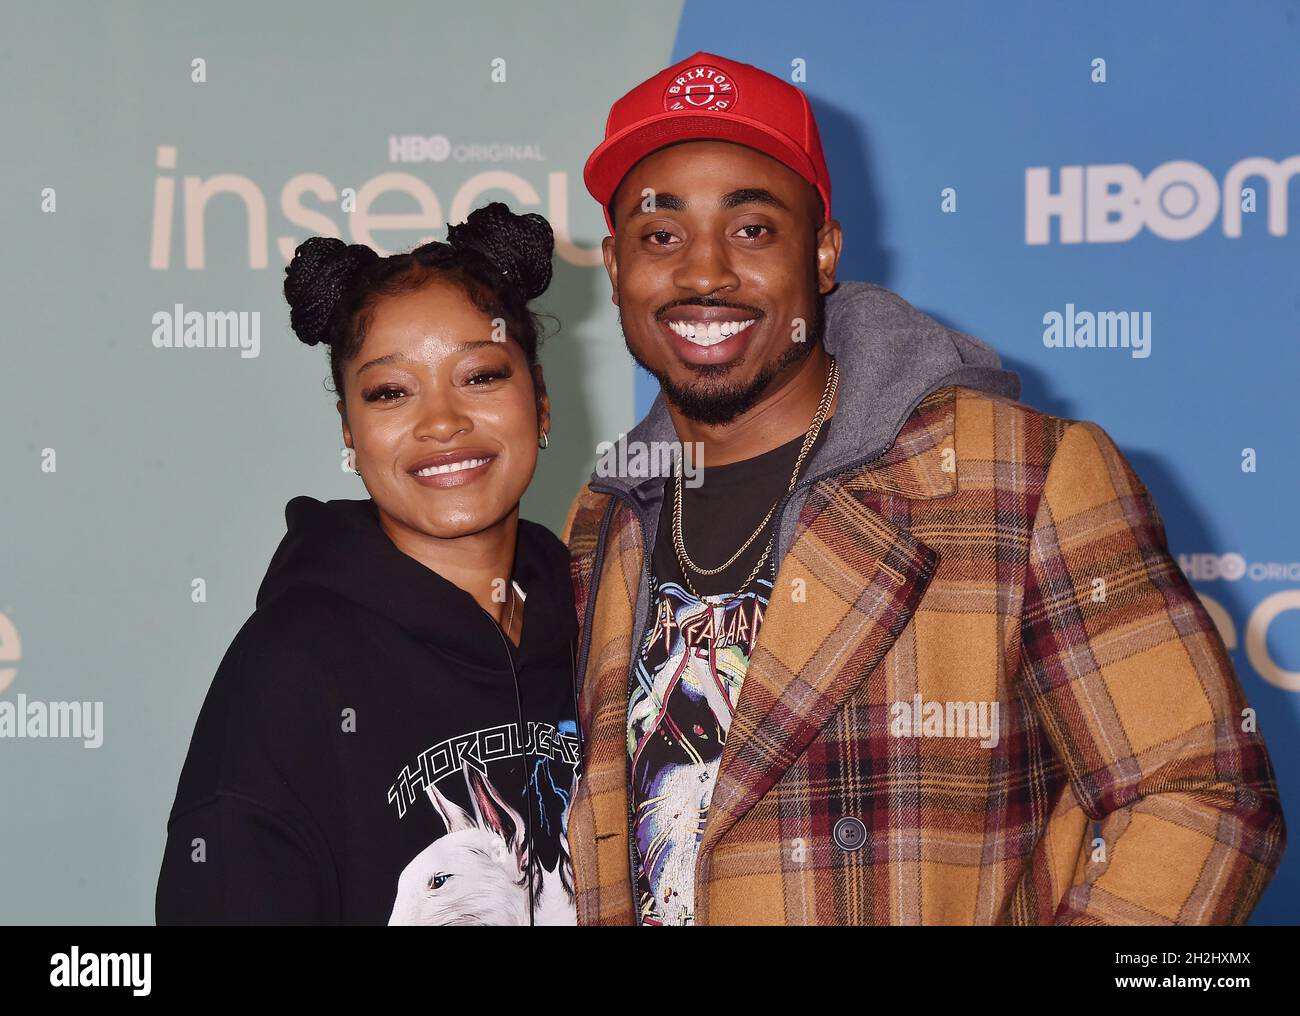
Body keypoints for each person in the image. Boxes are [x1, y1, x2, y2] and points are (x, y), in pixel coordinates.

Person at [562, 51, 1286, 925]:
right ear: (614, 266)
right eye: (661, 234)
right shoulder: (608, 512)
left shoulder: (1019, 475)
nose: (704, 272)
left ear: (823, 253)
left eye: (752, 229)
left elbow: (1205, 794)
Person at [156, 202, 581, 925]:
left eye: (479, 376)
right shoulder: (288, 667)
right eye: (390, 392)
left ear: (540, 403)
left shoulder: (605, 616)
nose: (441, 421)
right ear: (350, 435)